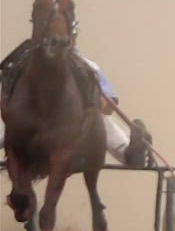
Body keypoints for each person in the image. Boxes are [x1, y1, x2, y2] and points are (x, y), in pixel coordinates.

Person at [0, 47, 151, 168]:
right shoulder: (26, 61)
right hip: (32, 120)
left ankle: (130, 152)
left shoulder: (87, 66)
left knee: (100, 120)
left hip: (70, 124)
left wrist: (93, 100)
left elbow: (109, 105)